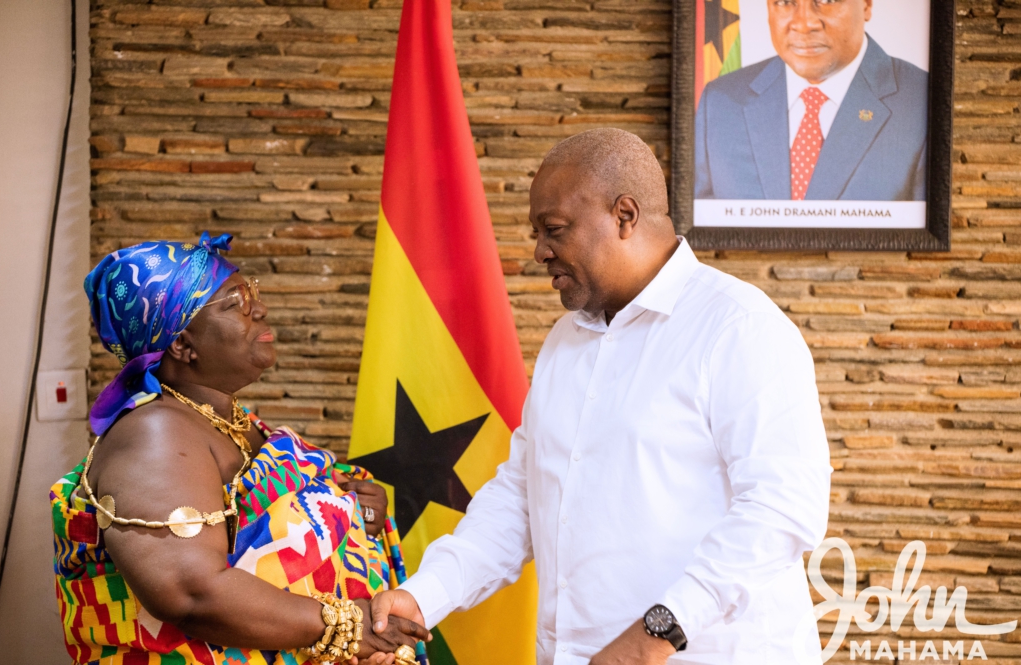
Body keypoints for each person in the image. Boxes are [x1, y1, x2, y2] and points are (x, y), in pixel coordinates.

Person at [368, 128, 832, 664]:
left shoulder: (739, 327)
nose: (540, 251)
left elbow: (781, 510)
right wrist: (424, 598)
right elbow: (520, 497)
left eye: (554, 229)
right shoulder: (565, 342)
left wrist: (653, 636)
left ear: (625, 216)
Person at [51, 233, 429, 665]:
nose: (259, 308)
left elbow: (292, 522)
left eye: (251, 293)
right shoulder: (153, 436)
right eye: (235, 302)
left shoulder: (234, 422)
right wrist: (347, 627)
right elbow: (190, 592)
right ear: (181, 344)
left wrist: (356, 512)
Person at [695, 0, 928, 202]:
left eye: (827, 0)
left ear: (866, 4)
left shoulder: (921, 102)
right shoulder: (721, 101)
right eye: (785, 2)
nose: (805, 24)